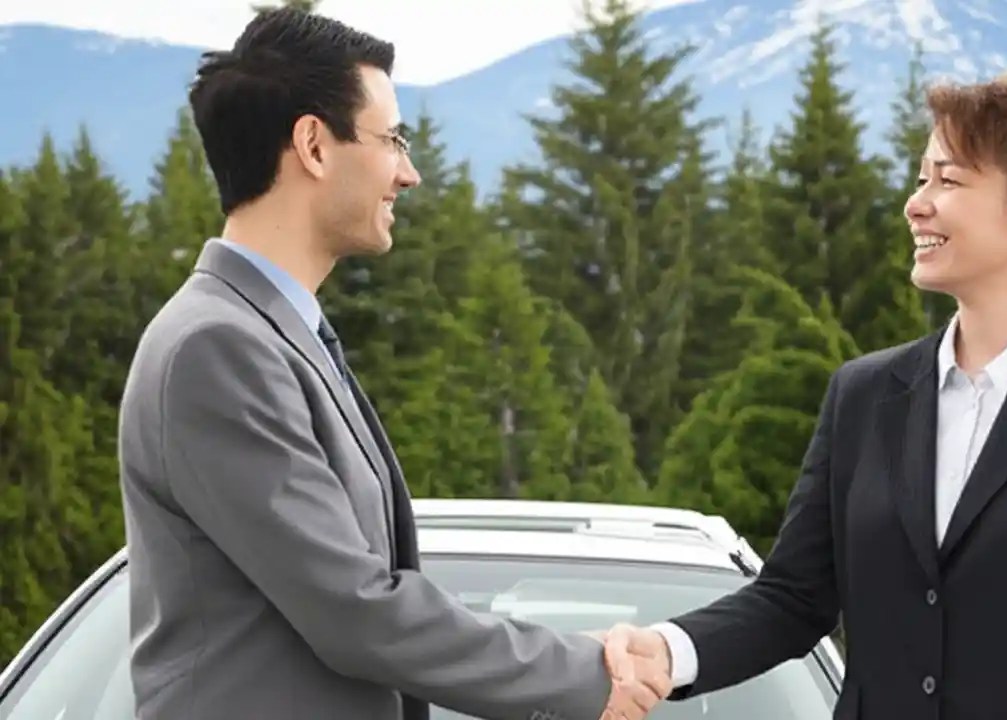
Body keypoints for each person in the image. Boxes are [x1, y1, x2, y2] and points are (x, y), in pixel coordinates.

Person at [603, 71, 1007, 719]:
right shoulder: (865, 394)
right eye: (922, 178)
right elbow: (794, 598)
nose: (916, 204)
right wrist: (666, 652)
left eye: (949, 181)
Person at [117, 8, 669, 720]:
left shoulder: (272, 335)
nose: (409, 174)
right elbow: (355, 610)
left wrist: (563, 655)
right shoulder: (218, 349)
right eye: (393, 140)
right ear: (314, 145)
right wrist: (582, 674)